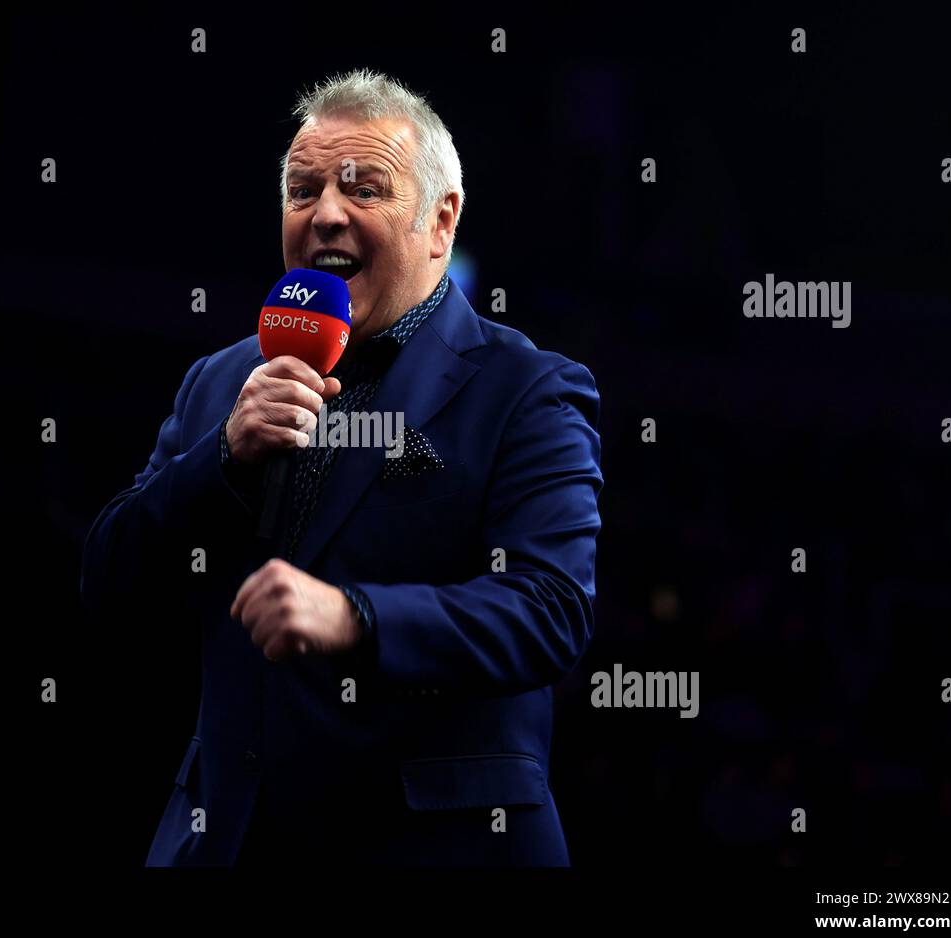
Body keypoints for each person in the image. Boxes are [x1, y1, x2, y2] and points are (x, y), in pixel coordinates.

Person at [81, 68, 603, 866]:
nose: (325, 213)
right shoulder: (221, 382)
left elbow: (550, 610)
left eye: (363, 187)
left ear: (441, 220)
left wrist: (353, 616)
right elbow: (110, 582)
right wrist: (222, 459)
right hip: (223, 841)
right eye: (302, 190)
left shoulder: (526, 390)